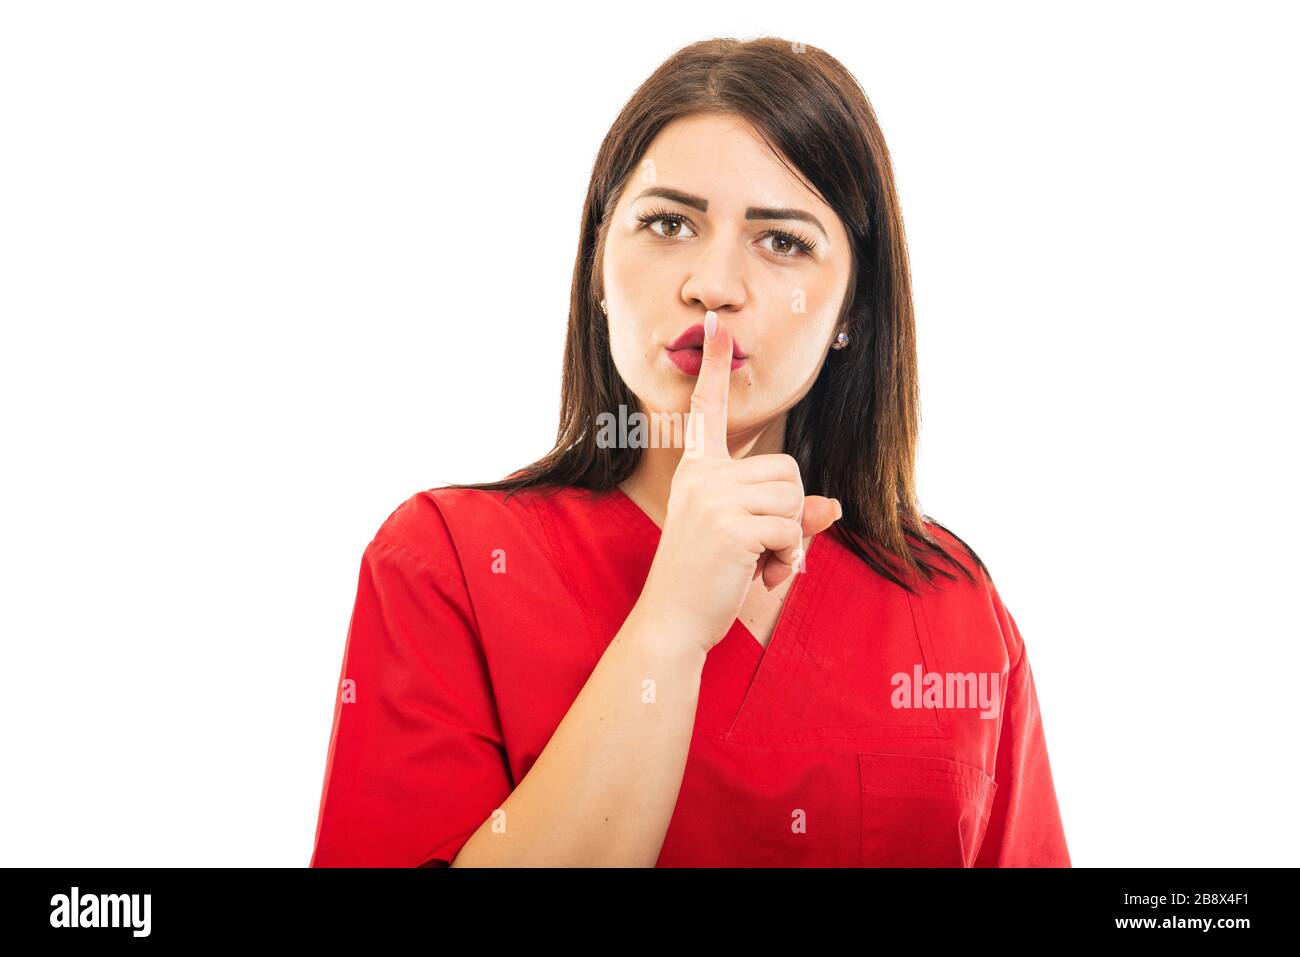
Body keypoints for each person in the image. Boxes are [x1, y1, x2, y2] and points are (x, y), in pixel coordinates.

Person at [308, 37, 1070, 867]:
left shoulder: (955, 607)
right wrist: (668, 626)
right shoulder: (444, 562)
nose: (714, 283)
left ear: (853, 306)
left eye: (782, 241)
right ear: (597, 266)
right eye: (669, 223)